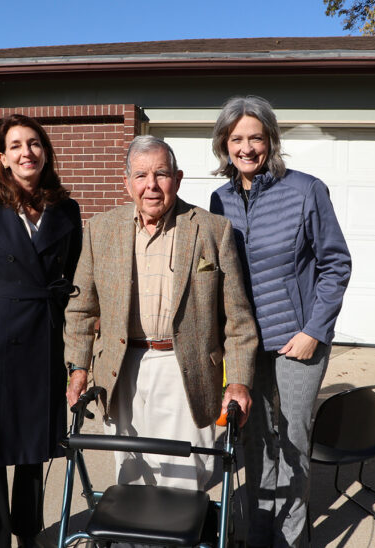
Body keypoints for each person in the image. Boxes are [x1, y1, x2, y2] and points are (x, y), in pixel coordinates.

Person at [64, 135, 257, 490]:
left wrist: (239, 382)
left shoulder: (213, 230)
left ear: (177, 179)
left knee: (184, 478)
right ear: (126, 183)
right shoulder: (100, 230)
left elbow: (238, 320)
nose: (151, 185)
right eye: (140, 175)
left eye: (161, 174)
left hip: (186, 369)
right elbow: (81, 309)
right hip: (122, 369)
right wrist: (78, 371)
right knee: (131, 475)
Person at [209, 96, 352, 547]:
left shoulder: (306, 190)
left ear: (271, 140)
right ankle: (257, 532)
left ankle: (290, 538)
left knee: (292, 440)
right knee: (253, 440)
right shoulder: (220, 198)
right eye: (236, 139)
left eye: (256, 137)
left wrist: (314, 331)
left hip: (297, 342)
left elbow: (336, 265)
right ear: (224, 144)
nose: (246, 147)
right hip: (247, 344)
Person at [0, 114, 81, 548]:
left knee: (32, 446)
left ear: (45, 152)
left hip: (42, 335)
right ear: (3, 158)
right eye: (16, 145)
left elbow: (72, 271)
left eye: (34, 143)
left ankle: (28, 535)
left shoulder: (66, 209)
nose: (27, 152)